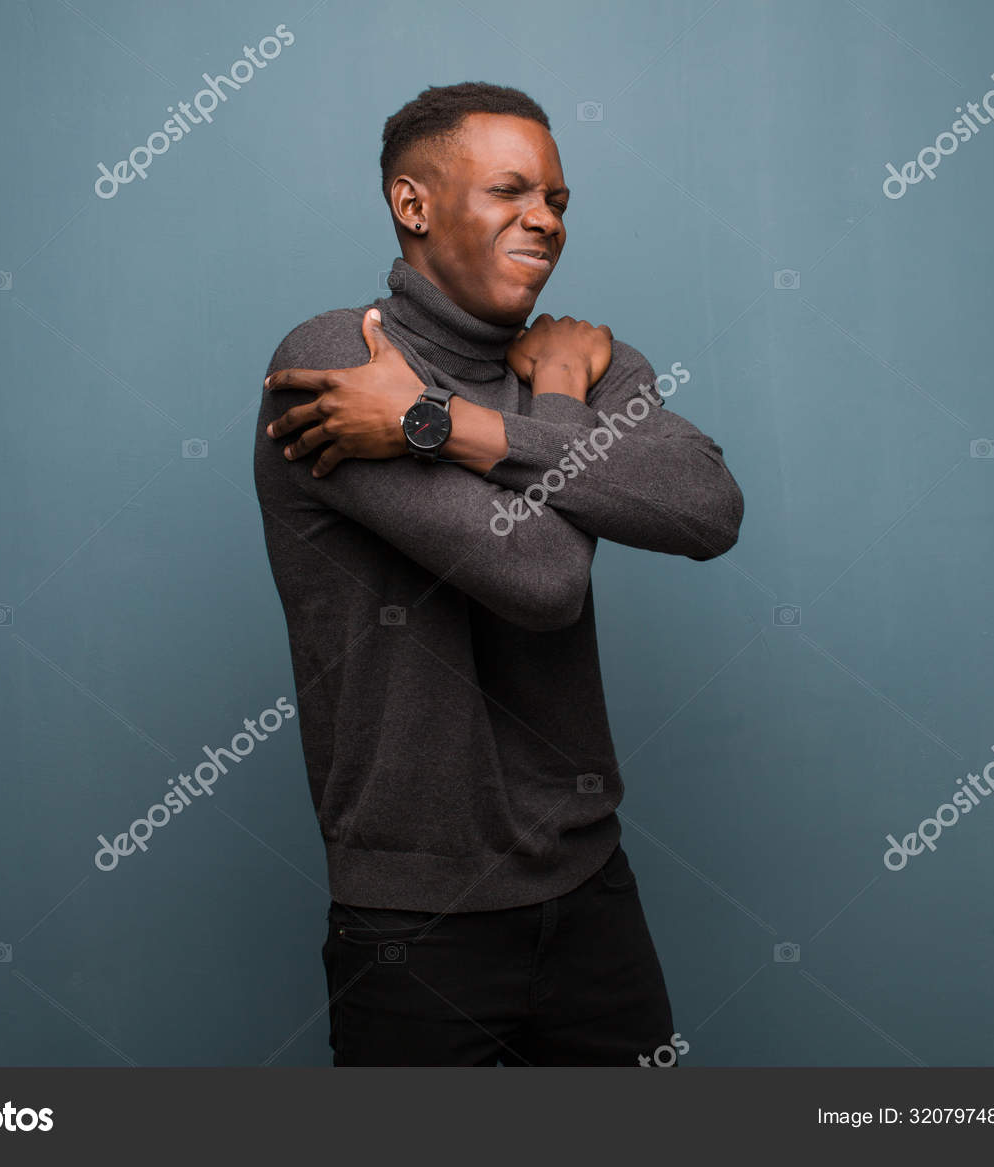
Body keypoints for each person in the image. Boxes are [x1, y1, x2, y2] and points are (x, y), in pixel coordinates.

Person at [252, 81, 744, 1066]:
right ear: (414, 204)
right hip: (420, 927)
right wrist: (556, 404)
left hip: (593, 897)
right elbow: (543, 578)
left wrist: (452, 422)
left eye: (557, 199)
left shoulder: (582, 361)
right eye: (510, 190)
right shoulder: (342, 364)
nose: (544, 219)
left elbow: (707, 507)